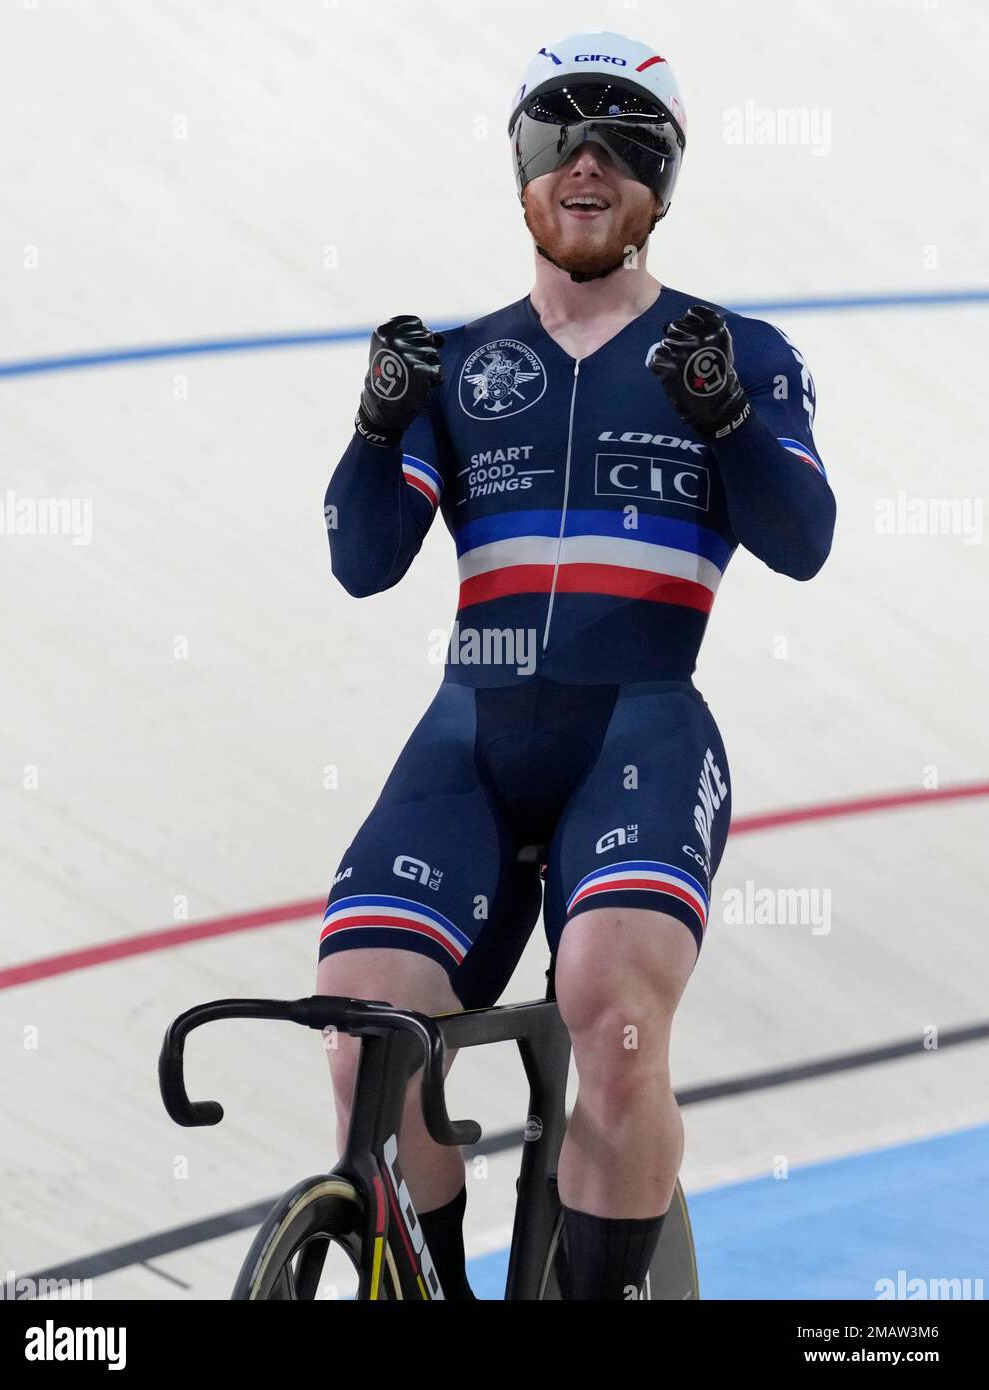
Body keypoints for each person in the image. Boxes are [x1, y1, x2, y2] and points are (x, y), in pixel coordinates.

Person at [318, 29, 836, 1300]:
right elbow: (364, 561)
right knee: (358, 1024)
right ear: (522, 170)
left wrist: (726, 420)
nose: (587, 163)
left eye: (624, 140)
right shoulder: (458, 361)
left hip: (639, 730)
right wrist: (374, 428)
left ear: (666, 181)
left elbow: (804, 541)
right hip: (470, 737)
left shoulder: (736, 352)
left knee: (611, 1017)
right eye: (558, 136)